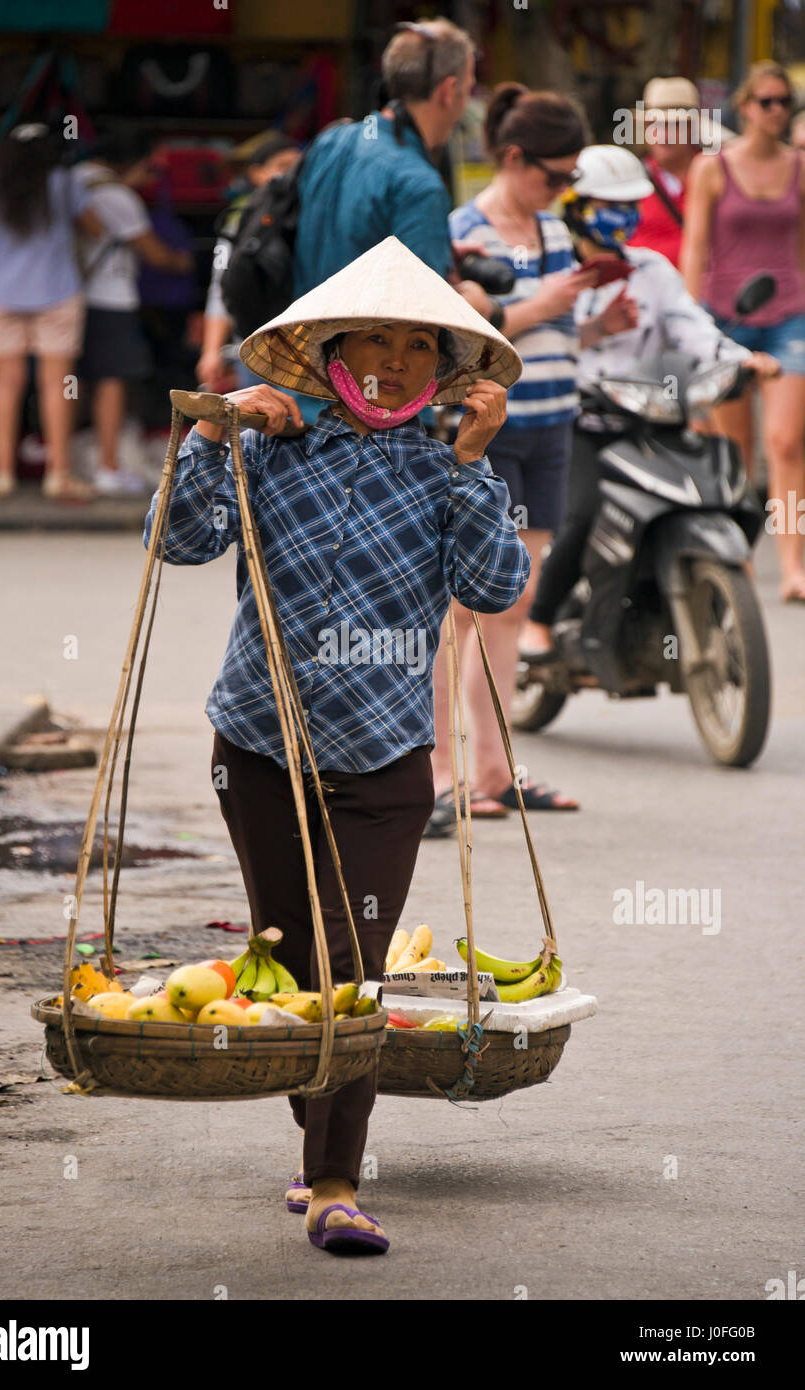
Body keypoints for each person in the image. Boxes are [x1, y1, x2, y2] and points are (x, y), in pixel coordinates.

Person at [142, 236, 527, 1254]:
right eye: (377, 339)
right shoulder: (273, 446)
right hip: (257, 743)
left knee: (351, 969)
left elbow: (491, 591)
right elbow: (179, 542)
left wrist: (476, 466)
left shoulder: (449, 477)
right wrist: (216, 437)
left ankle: (334, 1182)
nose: (396, 360)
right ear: (334, 351)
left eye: (418, 345)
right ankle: (317, 1128)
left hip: (385, 762)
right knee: (287, 956)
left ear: (444, 371)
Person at [519, 145, 778, 660]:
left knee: (727, 492)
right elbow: (533, 348)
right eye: (610, 204)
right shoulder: (553, 276)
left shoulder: (652, 270)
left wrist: (742, 359)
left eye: (632, 205)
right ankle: (539, 621)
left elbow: (693, 328)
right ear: (575, 205)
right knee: (584, 511)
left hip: (652, 421)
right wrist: (596, 331)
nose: (625, 217)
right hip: (579, 424)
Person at [428, 83, 592, 823]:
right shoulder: (464, 229)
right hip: (488, 427)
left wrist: (593, 319)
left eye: (569, 180)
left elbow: (561, 333)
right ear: (514, 157)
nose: (558, 191)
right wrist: (541, 306)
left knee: (513, 598)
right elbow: (463, 338)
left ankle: (494, 767)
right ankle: (437, 768)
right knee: (457, 605)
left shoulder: (556, 232)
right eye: (551, 176)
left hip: (554, 422)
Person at [291, 17, 502, 423]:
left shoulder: (333, 141)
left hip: (304, 387)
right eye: (469, 85)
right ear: (449, 90)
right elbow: (421, 311)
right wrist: (478, 302)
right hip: (376, 411)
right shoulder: (417, 183)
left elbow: (344, 238)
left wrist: (443, 247)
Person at [681, 61, 805, 602]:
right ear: (746, 106)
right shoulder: (711, 168)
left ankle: (793, 564)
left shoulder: (801, 166)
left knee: (787, 441)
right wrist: (687, 325)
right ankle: (741, 563)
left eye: (786, 103)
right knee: (735, 448)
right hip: (725, 320)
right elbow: (695, 247)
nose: (777, 111)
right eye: (768, 101)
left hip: (790, 318)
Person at [0, 123, 102, 501]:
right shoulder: (65, 182)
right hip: (57, 293)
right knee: (59, 387)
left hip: (3, 294)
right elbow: (95, 229)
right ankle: (59, 475)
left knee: (6, 384)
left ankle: (2, 475)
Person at [74, 127, 195, 495]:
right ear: (132, 163)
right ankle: (108, 466)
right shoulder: (114, 195)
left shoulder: (66, 182)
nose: (148, 179)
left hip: (65, 298)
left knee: (66, 380)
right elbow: (154, 253)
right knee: (112, 379)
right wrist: (183, 263)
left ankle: (59, 460)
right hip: (110, 298)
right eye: (148, 169)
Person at [196, 135, 301, 390]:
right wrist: (211, 351)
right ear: (256, 173)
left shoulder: (307, 214)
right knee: (254, 424)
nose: (292, 176)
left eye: (297, 168)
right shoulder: (239, 221)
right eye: (282, 166)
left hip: (304, 348)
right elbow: (221, 286)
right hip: (254, 347)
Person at [628, 76, 726, 269]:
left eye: (675, 125)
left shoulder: (720, 174)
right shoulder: (629, 178)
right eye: (655, 124)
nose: (664, 135)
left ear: (693, 128)